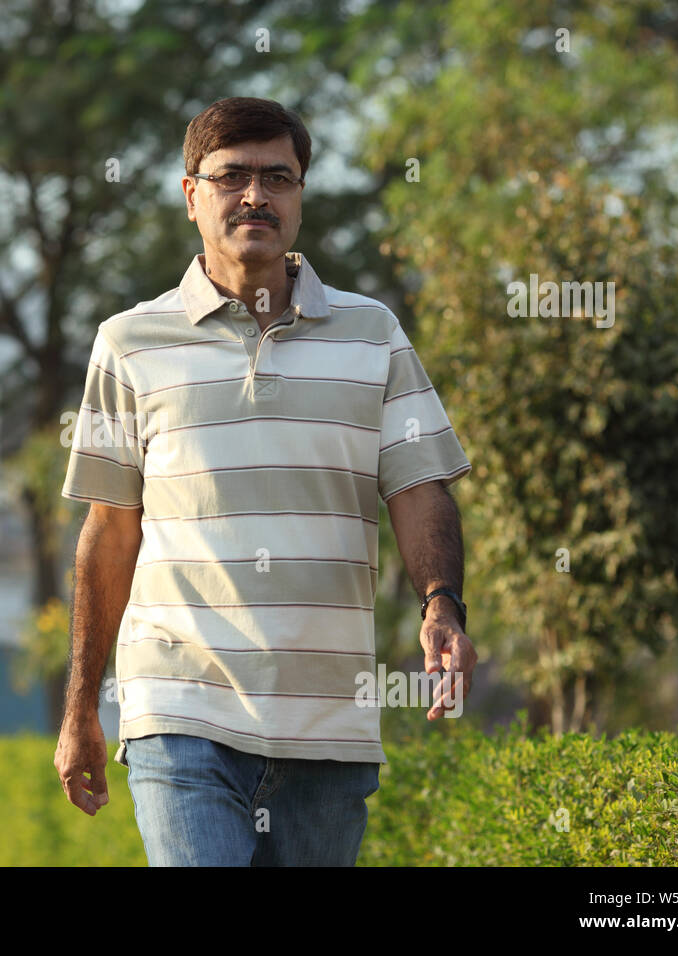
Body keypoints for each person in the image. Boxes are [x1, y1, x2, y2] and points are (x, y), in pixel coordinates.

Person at [53, 96, 476, 866]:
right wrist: (81, 708)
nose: (256, 196)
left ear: (300, 196)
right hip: (180, 712)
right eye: (231, 177)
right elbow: (110, 532)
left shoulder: (372, 333)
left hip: (329, 720)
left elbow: (418, 487)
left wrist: (442, 602)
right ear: (191, 196)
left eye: (278, 177)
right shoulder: (129, 344)